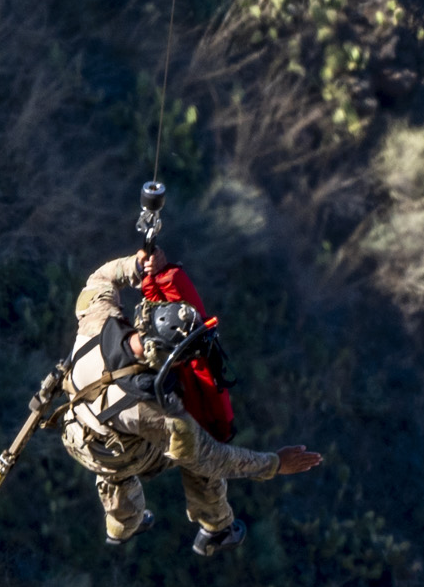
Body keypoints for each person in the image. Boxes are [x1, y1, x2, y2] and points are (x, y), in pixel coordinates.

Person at [59, 220, 321, 554]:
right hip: (117, 452)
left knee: (117, 462)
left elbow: (100, 278)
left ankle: (121, 526)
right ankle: (215, 528)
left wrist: (136, 267)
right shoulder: (151, 411)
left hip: (75, 429)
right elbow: (212, 459)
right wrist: (274, 464)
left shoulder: (98, 319)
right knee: (199, 445)